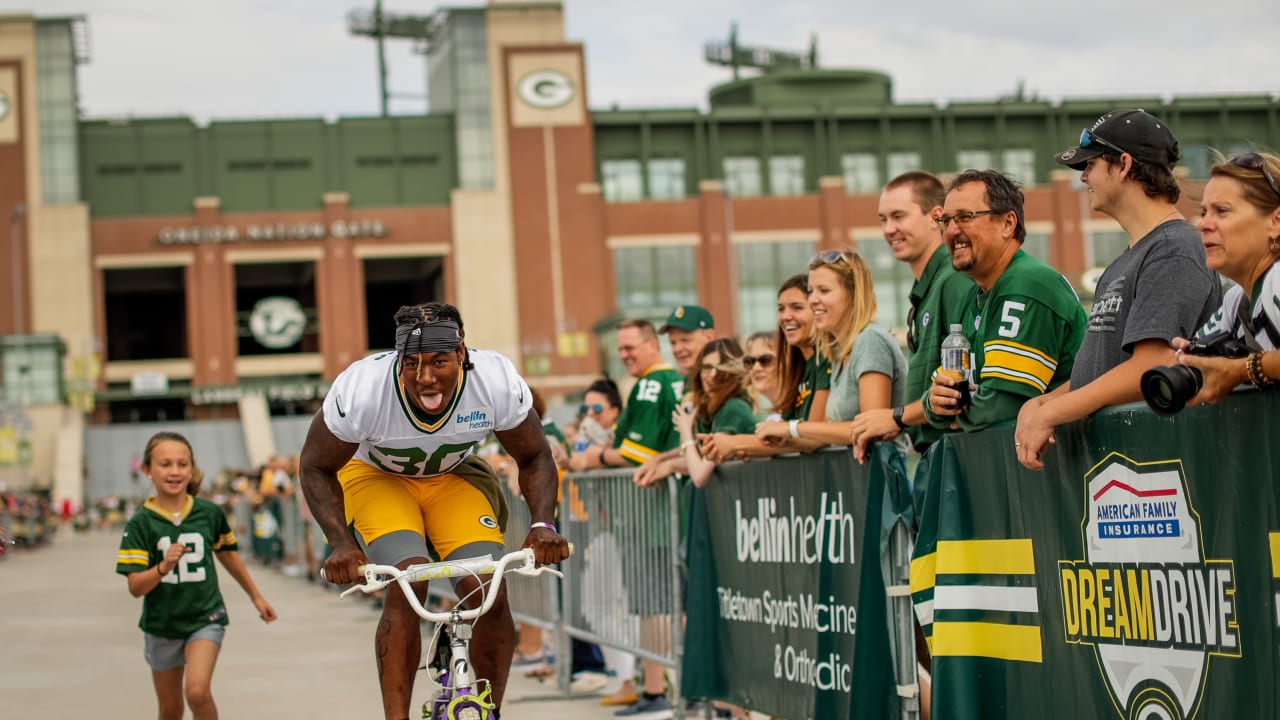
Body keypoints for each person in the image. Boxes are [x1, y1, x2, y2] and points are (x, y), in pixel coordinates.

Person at [298, 302, 570, 720]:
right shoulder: (364, 388)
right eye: (413, 363)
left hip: (451, 479)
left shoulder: (495, 379)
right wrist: (339, 543)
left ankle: (489, 710)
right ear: (398, 359)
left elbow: (534, 456)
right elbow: (315, 466)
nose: (426, 378)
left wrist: (541, 524)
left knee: (488, 589)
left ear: (462, 354)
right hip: (376, 480)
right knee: (409, 581)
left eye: (439, 362)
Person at [1013, 110, 1221, 469]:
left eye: (1090, 164)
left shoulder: (1174, 248)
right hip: (1128, 479)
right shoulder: (1130, 257)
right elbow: (1104, 372)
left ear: (1123, 165)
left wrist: (1053, 412)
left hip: (1164, 472)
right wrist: (1041, 404)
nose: (1083, 177)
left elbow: (1152, 364)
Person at [116, 431, 277, 720]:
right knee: (170, 710)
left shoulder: (208, 512)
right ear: (147, 470)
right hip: (161, 623)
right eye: (165, 464)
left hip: (205, 617)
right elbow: (135, 587)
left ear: (192, 469)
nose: (175, 471)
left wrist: (256, 596)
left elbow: (227, 554)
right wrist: (162, 567)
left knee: (197, 692)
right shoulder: (141, 522)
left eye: (182, 464)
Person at [925, 170, 1088, 432]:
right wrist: (935, 404)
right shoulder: (970, 296)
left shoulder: (1028, 284)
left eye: (965, 217)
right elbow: (940, 393)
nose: (952, 231)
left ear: (1008, 223)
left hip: (1070, 458)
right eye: (946, 220)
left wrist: (953, 420)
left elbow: (1002, 406)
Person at [850, 172, 975, 461]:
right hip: (935, 454)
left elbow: (967, 386)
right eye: (883, 219)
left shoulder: (954, 279)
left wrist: (897, 417)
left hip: (956, 453)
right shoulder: (928, 287)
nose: (889, 229)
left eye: (898, 216)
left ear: (936, 217)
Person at [756, 250, 908, 447]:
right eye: (811, 291)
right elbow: (831, 430)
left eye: (824, 291)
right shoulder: (839, 353)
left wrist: (791, 428)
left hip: (879, 474)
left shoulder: (870, 341)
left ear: (852, 294)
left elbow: (870, 428)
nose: (813, 299)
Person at [1174, 151, 1280, 403]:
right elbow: (1181, 361)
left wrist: (1242, 370)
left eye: (1221, 211)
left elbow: (1237, 370)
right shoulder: (1237, 299)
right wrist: (1187, 359)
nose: (1204, 224)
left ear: (1276, 222)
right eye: (1204, 213)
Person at [673, 338, 758, 487]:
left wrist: (686, 432)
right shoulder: (715, 409)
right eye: (706, 367)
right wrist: (662, 462)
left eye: (720, 369)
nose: (712, 375)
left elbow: (699, 476)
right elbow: (698, 459)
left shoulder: (734, 408)